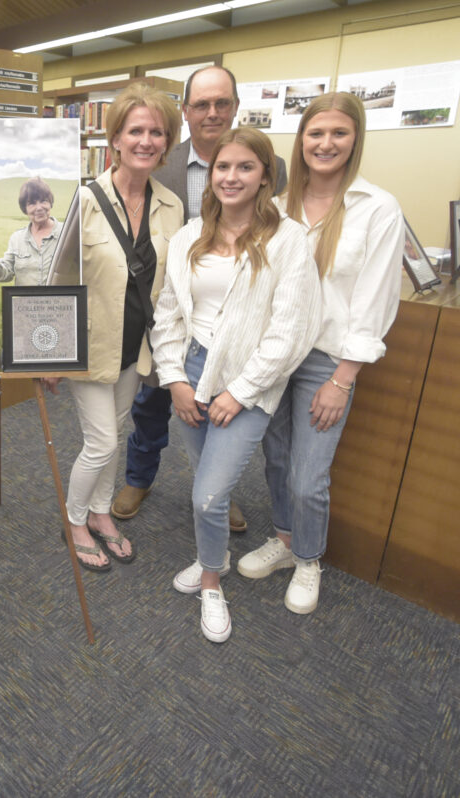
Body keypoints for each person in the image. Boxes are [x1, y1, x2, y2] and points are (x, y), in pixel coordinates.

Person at [238, 92, 404, 614]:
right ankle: (285, 541)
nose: (326, 143)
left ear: (355, 139)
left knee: (309, 476)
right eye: (316, 133)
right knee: (275, 458)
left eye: (338, 133)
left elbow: (376, 299)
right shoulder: (276, 204)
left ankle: (309, 559)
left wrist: (342, 378)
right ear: (301, 139)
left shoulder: (377, 208)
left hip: (326, 362)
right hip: (274, 353)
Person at [152, 127, 320, 643]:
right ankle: (218, 557)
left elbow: (291, 331)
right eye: (222, 167)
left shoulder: (288, 239)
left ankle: (210, 583)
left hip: (249, 382)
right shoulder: (189, 236)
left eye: (245, 167)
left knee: (207, 497)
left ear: (266, 176)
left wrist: (240, 392)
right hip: (192, 373)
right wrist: (174, 379)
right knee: (206, 480)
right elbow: (168, 315)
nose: (231, 177)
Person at [113, 66, 288, 531]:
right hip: (164, 313)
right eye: (202, 104)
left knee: (222, 417)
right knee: (151, 405)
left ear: (235, 107)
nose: (212, 113)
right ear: (185, 111)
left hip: (233, 321)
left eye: (222, 103)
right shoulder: (158, 160)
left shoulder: (270, 164)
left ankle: (216, 491)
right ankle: (138, 477)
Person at [44, 83, 184, 572]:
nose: (146, 141)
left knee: (117, 433)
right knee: (101, 441)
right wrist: (51, 355)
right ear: (116, 140)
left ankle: (102, 514)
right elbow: (58, 278)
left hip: (135, 347)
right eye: (135, 130)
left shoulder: (172, 206)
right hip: (87, 346)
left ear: (166, 143)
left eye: (156, 132)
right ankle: (75, 520)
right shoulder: (83, 199)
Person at [0, 177, 60, 286]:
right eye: (32, 203)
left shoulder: (67, 234)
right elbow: (4, 275)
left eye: (43, 201)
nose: (39, 207)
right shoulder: (17, 239)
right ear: (25, 209)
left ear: (50, 203)